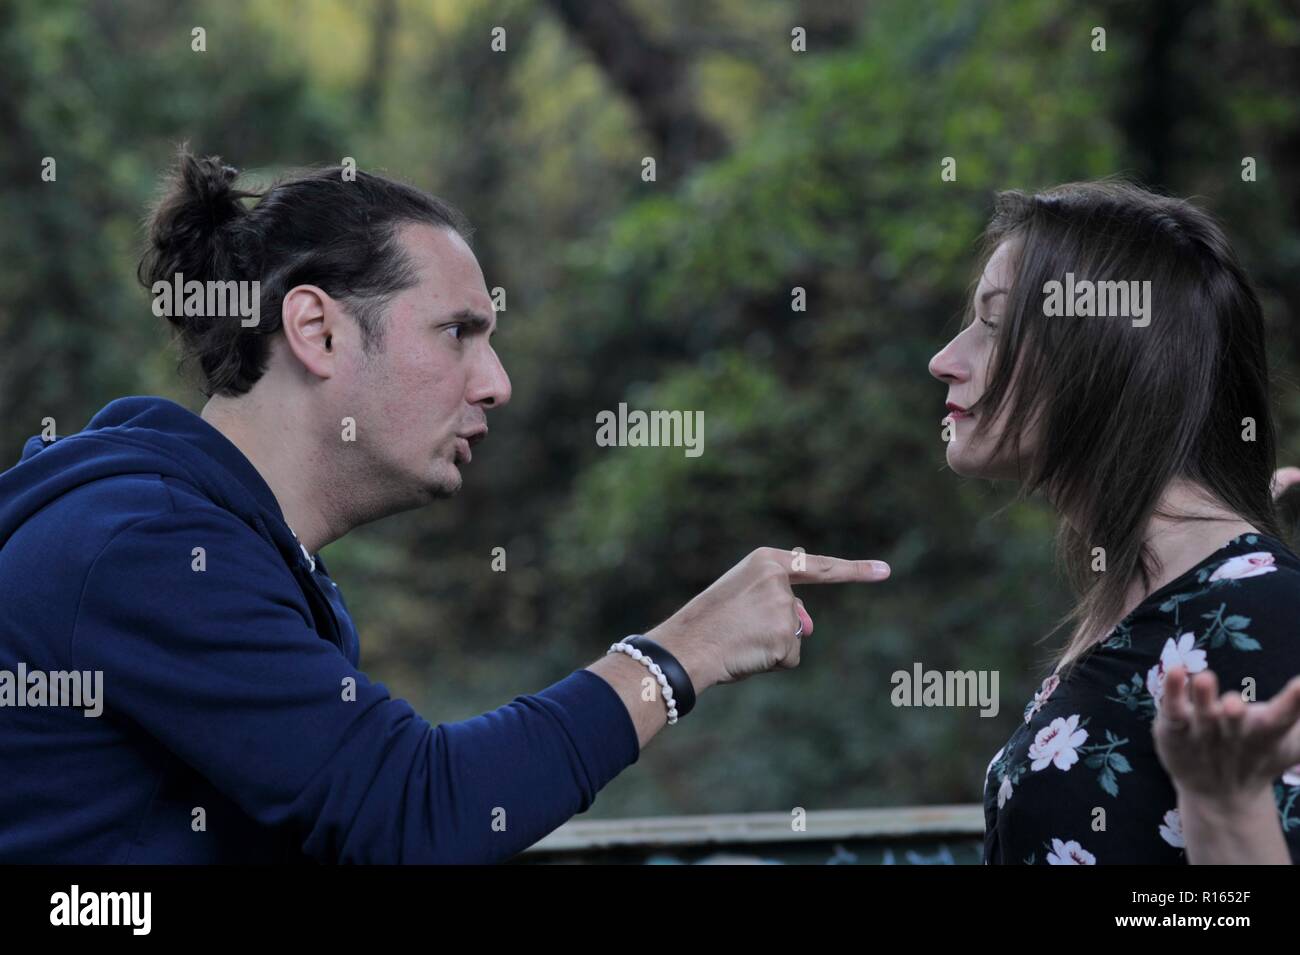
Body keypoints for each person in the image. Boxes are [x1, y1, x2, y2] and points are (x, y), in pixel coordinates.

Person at [0, 150, 889, 863]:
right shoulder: (142, 545)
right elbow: (417, 811)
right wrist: (682, 652)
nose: (496, 384)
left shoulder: (221, 545)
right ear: (317, 330)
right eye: (458, 331)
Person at [929, 179, 1300, 864]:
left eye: (993, 325)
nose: (944, 360)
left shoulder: (1265, 617)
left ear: (1102, 356)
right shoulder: (1162, 592)